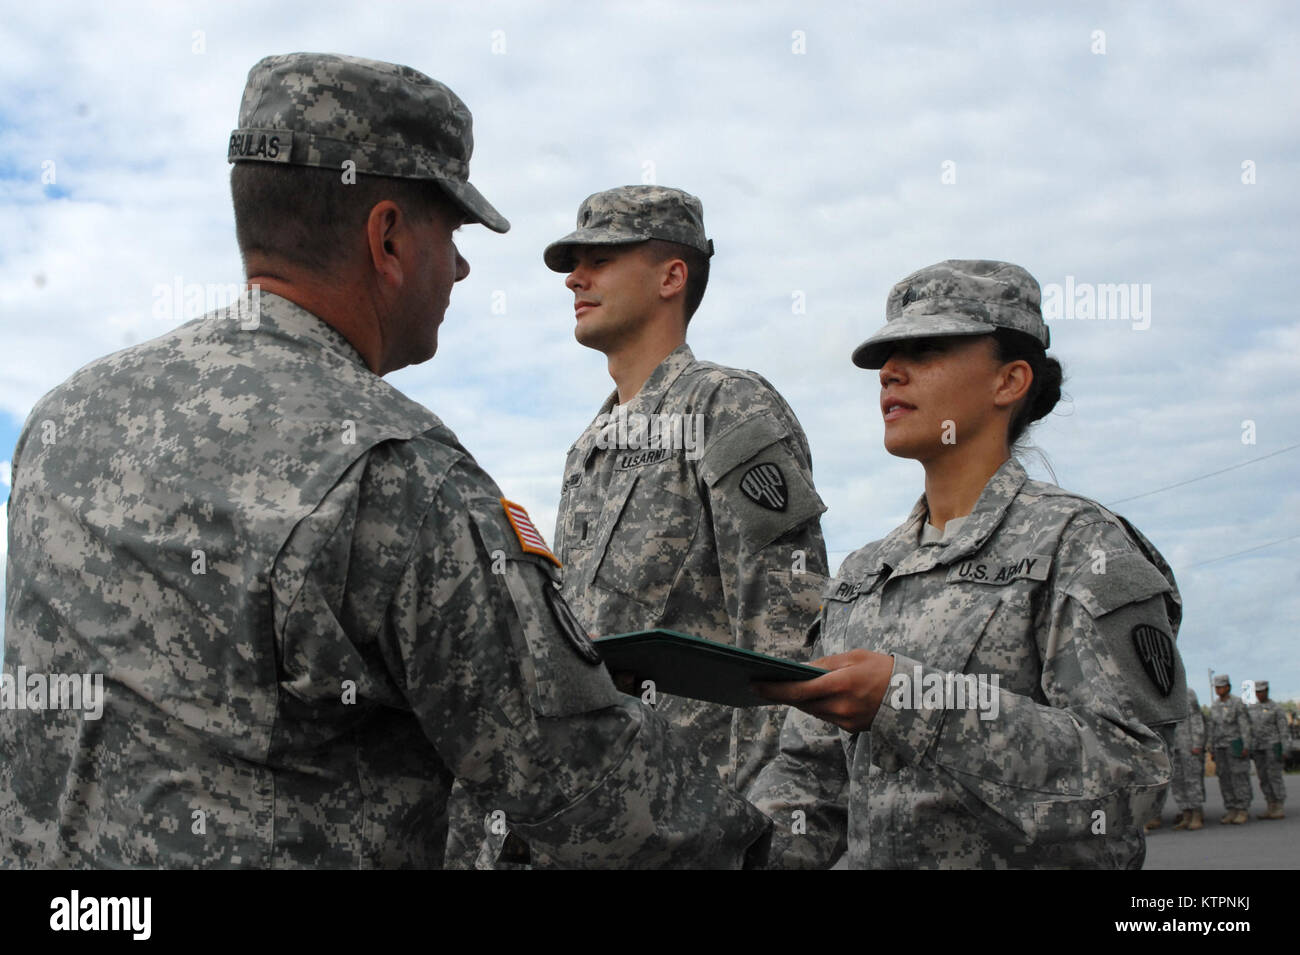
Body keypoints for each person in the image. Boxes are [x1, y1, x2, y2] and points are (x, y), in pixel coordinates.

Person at [0, 53, 769, 869]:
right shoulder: (399, 471)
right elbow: (586, 784)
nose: (464, 267)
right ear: (389, 237)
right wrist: (767, 853)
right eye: (455, 232)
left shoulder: (65, 417)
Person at [747, 259, 1187, 869]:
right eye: (885, 359)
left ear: (1009, 382)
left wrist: (910, 701)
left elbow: (1135, 780)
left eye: (925, 350)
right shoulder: (861, 575)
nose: (890, 374)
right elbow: (814, 779)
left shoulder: (1083, 548)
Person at [448, 184, 829, 867]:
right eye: (574, 260)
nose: (575, 276)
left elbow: (788, 641)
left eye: (601, 257)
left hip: (701, 833)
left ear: (670, 276)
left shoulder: (724, 405)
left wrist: (767, 842)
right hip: (603, 830)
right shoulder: (589, 447)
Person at [1208, 674, 1253, 825]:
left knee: (1239, 777)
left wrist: (1246, 745)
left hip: (1235, 745)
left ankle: (1242, 809)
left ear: (1228, 687)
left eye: (1221, 687)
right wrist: (1211, 746)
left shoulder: (1237, 703)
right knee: (1224, 778)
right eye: (1217, 687)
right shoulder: (1215, 705)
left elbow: (1244, 725)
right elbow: (1212, 727)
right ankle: (1231, 809)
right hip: (1220, 747)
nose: (1218, 690)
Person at [1247, 680, 1287, 819]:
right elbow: (1249, 728)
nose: (1259, 694)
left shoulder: (1276, 708)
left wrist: (1284, 749)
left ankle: (1279, 806)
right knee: (1263, 777)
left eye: (1262, 691)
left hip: (1272, 746)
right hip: (1258, 748)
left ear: (1267, 691)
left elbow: (1283, 730)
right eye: (1257, 692)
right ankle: (1270, 805)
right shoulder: (1252, 708)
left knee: (1274, 777)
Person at [1170, 687, 1207, 830]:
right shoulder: (1162, 693)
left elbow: (1197, 719)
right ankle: (1185, 813)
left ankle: (1197, 813)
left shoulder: (1187, 692)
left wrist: (1198, 742)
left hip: (1188, 744)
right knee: (1178, 781)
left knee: (1192, 779)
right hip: (1173, 744)